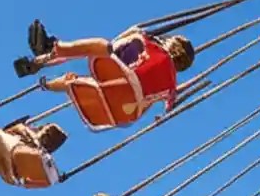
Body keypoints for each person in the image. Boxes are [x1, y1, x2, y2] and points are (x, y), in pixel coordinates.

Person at [15, 21, 194, 125]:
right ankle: (44, 82)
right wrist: (160, 115)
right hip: (122, 113)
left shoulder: (153, 46)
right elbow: (167, 107)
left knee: (102, 46)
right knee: (73, 81)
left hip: (118, 79)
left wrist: (133, 32)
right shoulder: (172, 86)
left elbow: (117, 43)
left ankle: (53, 50)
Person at [0, 120, 69, 189]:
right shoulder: (26, 141)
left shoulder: (27, 138)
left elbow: (16, 129)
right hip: (14, 173)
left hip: (14, 163)